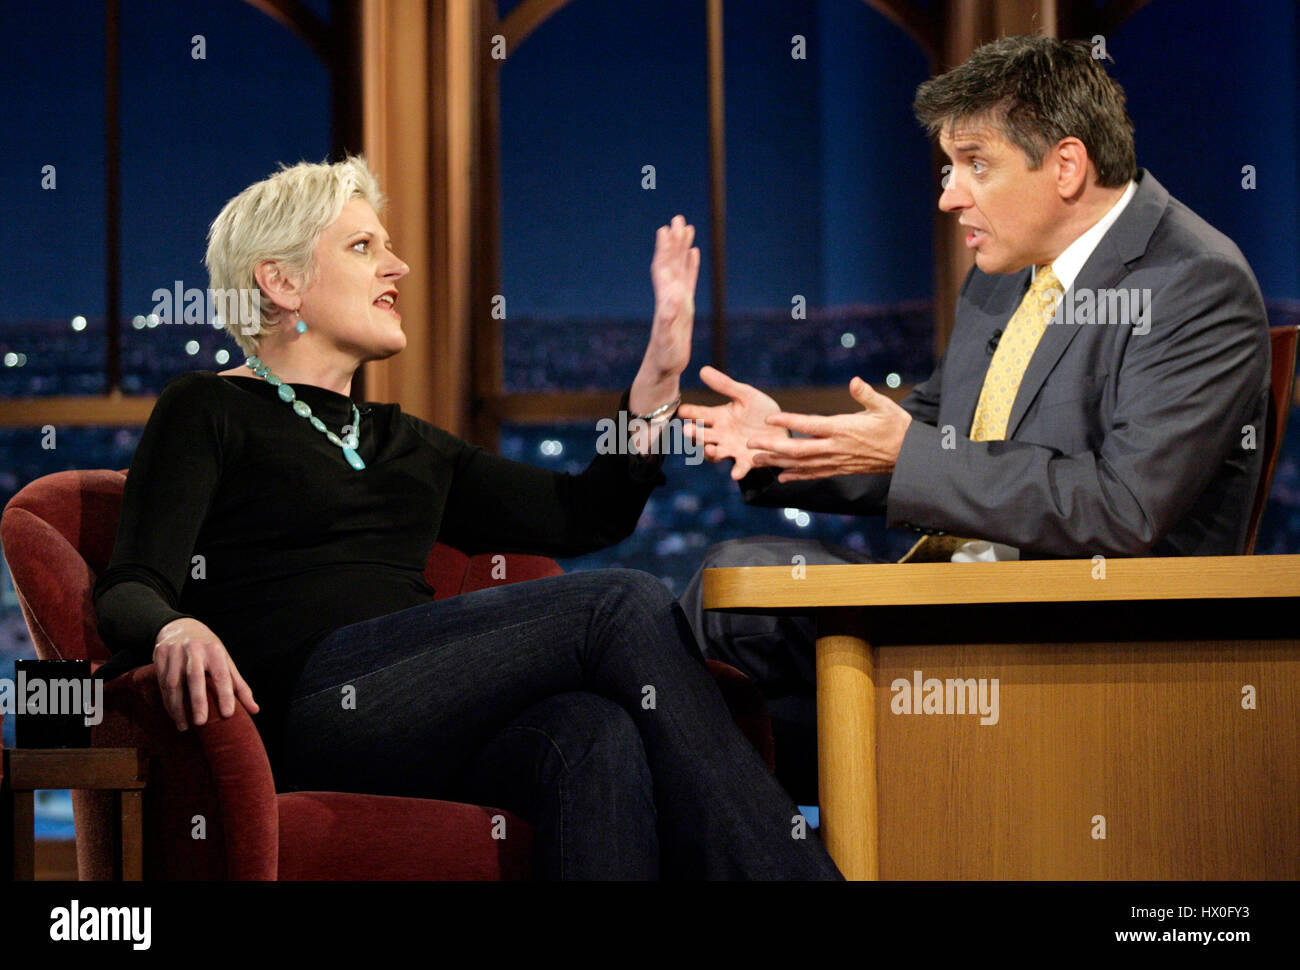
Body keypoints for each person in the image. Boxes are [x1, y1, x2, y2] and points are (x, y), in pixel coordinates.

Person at [91, 155, 842, 881]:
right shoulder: (208, 408)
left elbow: (585, 513)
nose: (398, 268)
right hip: (309, 707)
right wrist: (173, 625)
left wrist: (658, 378)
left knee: (592, 733)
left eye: (387, 248)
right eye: (363, 247)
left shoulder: (404, 441)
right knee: (619, 601)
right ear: (280, 282)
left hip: (419, 715)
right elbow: (129, 585)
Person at [678, 35, 1271, 805]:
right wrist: (781, 443)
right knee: (703, 683)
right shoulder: (1003, 279)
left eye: (974, 165)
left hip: (1090, 653)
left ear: (1065, 165)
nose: (949, 195)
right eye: (949, 168)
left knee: (725, 615)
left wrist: (910, 453)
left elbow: (1125, 509)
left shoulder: (1194, 283)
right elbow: (929, 431)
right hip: (961, 614)